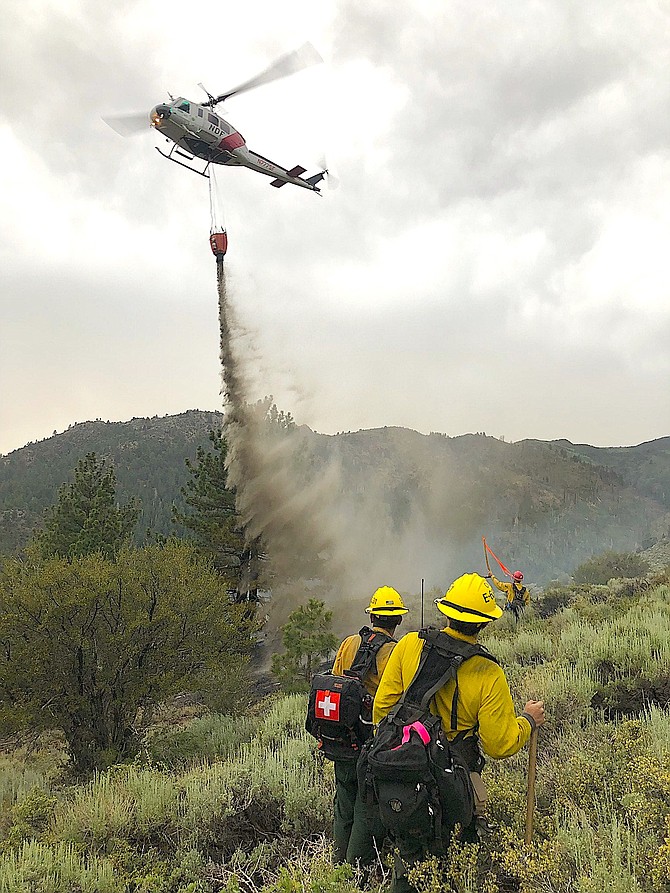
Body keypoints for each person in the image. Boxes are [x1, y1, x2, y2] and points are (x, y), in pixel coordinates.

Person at [373, 573, 545, 893]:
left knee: (410, 853)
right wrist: (528, 721)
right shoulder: (487, 672)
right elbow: (500, 743)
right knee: (455, 856)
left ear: (447, 612)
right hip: (456, 776)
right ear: (484, 622)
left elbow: (382, 709)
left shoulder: (410, 644)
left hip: (404, 769)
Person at [331, 586, 409, 869]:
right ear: (398, 620)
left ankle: (337, 865)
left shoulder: (349, 643)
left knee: (344, 801)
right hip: (373, 741)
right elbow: (401, 698)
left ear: (372, 616)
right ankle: (356, 871)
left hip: (340, 738)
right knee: (368, 806)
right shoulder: (396, 652)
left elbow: (336, 681)